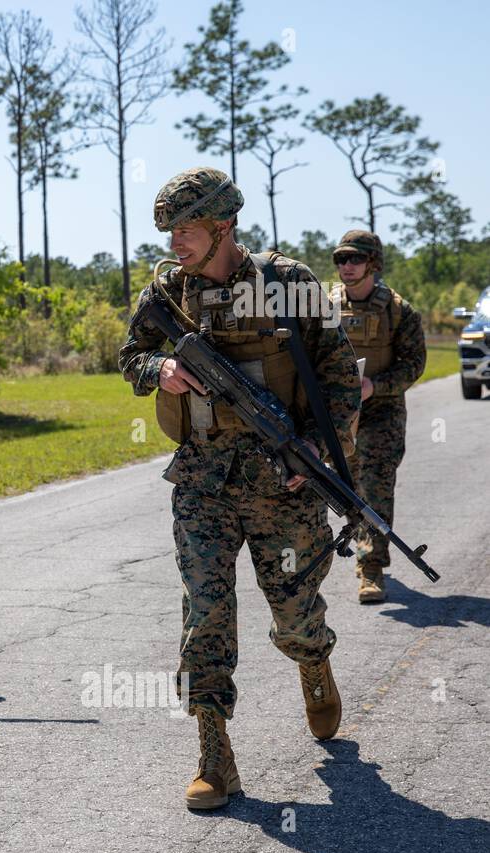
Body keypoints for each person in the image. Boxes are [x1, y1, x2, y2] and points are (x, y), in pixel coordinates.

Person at [118, 170, 360, 809]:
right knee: (205, 611)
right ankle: (214, 753)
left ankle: (313, 664)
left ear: (223, 227)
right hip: (201, 479)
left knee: (294, 608)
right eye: (169, 230)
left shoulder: (288, 285)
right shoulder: (168, 291)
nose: (175, 242)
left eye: (186, 229)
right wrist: (159, 368)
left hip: (284, 481)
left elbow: (337, 376)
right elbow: (129, 356)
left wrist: (318, 450)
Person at [331, 230, 427, 603]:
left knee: (376, 484)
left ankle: (372, 567)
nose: (347, 266)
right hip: (341, 412)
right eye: (341, 259)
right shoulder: (326, 307)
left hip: (382, 411)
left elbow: (415, 364)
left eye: (354, 259)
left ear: (373, 263)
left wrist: (375, 385)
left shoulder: (398, 310)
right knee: (349, 487)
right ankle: (361, 546)